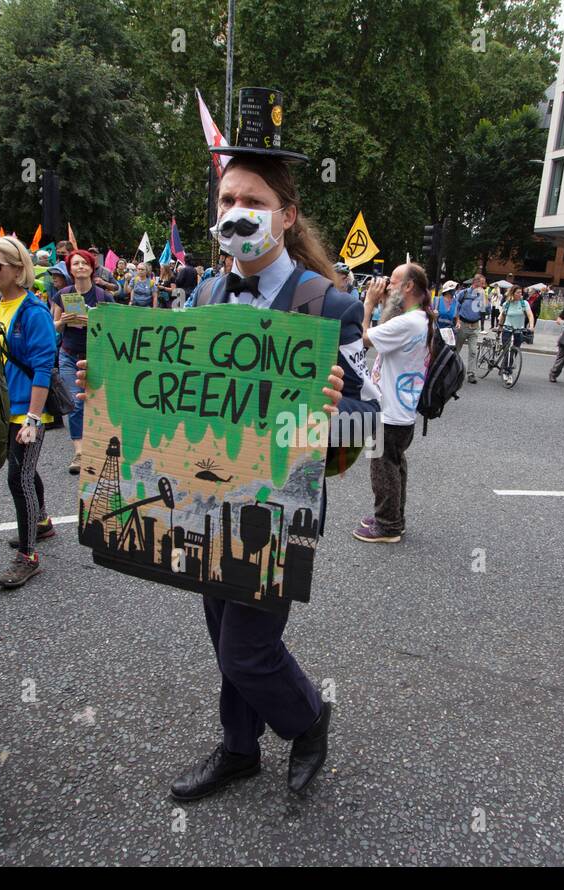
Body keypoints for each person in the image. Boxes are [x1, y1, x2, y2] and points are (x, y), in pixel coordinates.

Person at [78, 90, 376, 801]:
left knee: (248, 647)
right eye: (226, 198)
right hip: (200, 495)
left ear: (287, 214)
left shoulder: (325, 304)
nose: (235, 211)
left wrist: (330, 414)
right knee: (223, 639)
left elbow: (374, 422)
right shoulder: (205, 292)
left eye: (252, 199)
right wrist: (108, 384)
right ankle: (239, 747)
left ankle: (307, 720)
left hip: (274, 511)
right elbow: (175, 391)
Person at [0, 235, 56, 589]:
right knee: (23, 470)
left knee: (18, 477)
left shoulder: (33, 310)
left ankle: (28, 556)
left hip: (29, 411)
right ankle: (41, 523)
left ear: (18, 268)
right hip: (9, 407)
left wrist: (33, 419)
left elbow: (43, 366)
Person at [355, 264, 433, 542]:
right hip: (403, 411)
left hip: (389, 413)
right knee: (395, 465)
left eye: (394, 281)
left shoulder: (408, 322)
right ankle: (394, 518)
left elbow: (363, 338)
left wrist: (368, 304)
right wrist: (385, 303)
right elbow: (387, 325)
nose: (387, 285)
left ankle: (387, 526)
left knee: (383, 467)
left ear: (409, 286)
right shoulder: (419, 318)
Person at [51, 248, 112, 474]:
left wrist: (92, 322)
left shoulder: (103, 297)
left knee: (98, 402)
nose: (80, 267)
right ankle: (79, 451)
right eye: (75, 264)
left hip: (97, 356)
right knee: (77, 403)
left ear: (91, 267)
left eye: (84, 263)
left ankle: (101, 447)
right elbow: (52, 325)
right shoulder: (63, 294)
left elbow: (113, 327)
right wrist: (63, 322)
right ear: (70, 269)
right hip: (68, 355)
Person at [497, 284, 534, 385]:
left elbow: (530, 315)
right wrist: (499, 327)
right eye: (518, 292)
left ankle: (505, 367)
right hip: (507, 330)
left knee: (514, 352)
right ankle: (507, 372)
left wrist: (531, 326)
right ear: (512, 293)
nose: (520, 294)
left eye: (521, 292)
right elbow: (503, 316)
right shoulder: (507, 304)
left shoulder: (524, 303)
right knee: (508, 351)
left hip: (518, 330)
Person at [454, 275, 485, 384]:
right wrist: (457, 321)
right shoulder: (464, 293)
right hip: (463, 324)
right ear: (476, 282)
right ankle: (453, 370)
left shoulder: (481, 295)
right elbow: (456, 306)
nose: (484, 286)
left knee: (473, 351)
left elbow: (484, 310)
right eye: (482, 283)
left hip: (474, 326)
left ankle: (471, 374)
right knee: (457, 349)